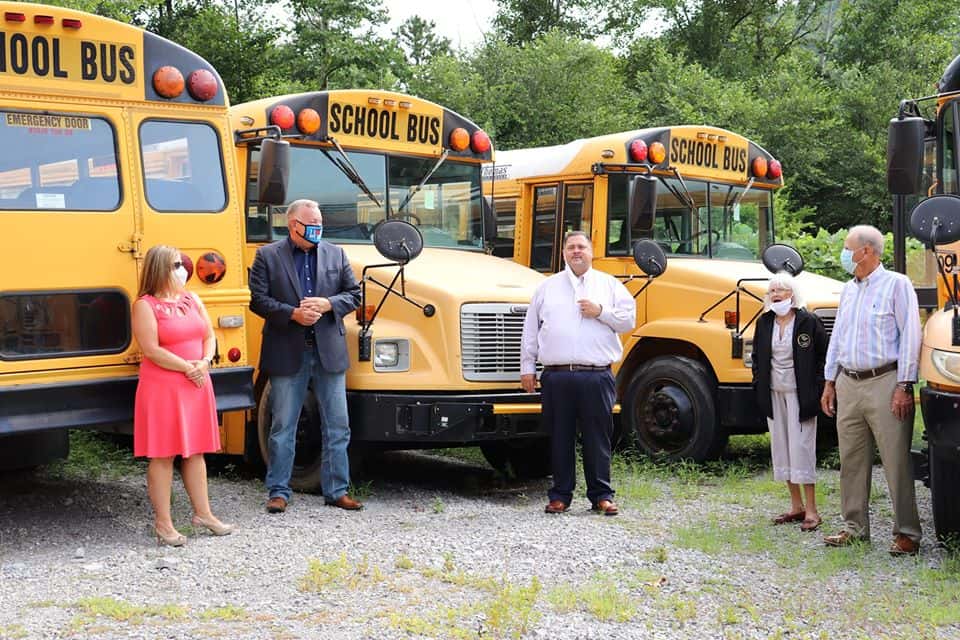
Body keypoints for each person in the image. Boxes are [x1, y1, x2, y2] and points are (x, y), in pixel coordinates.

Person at [249, 199, 362, 514]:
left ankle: (337, 490)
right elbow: (258, 300)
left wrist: (328, 304)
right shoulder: (267, 256)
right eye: (310, 223)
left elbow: (354, 294)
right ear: (292, 224)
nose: (316, 228)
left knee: (338, 425)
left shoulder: (336, 253)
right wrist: (293, 314)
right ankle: (279, 491)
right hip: (287, 351)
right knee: (283, 425)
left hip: (328, 352)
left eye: (320, 223)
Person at [820, 225, 922, 556]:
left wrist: (904, 385)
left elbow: (910, 336)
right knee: (851, 460)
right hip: (849, 381)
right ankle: (853, 527)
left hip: (885, 381)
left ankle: (907, 532)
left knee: (896, 461)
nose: (844, 254)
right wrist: (830, 380)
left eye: (848, 248)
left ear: (867, 251)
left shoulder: (897, 285)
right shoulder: (849, 289)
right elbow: (839, 336)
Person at [520, 230, 636, 515]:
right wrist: (527, 368)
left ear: (591, 251)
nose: (576, 252)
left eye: (581, 247)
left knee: (598, 437)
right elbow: (531, 331)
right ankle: (560, 495)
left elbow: (628, 320)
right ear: (563, 253)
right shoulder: (547, 287)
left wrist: (600, 311)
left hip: (596, 375)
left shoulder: (609, 285)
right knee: (560, 437)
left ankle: (601, 496)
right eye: (571, 247)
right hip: (556, 375)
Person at [133, 245, 235, 546]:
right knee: (163, 454)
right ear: (160, 268)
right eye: (177, 264)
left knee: (196, 450)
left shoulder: (192, 298)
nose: (184, 269)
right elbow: (150, 349)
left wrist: (204, 362)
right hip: (163, 385)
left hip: (195, 382)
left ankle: (204, 514)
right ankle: (163, 523)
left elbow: (209, 334)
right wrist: (186, 368)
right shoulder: (145, 305)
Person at [752, 272, 828, 532]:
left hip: (801, 394)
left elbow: (822, 357)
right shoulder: (764, 322)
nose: (775, 295)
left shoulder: (808, 321)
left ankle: (812, 510)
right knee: (782, 447)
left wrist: (819, 388)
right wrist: (758, 384)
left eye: (781, 290)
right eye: (772, 291)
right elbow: (757, 358)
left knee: (802, 447)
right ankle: (795, 506)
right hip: (773, 393)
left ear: (792, 294)